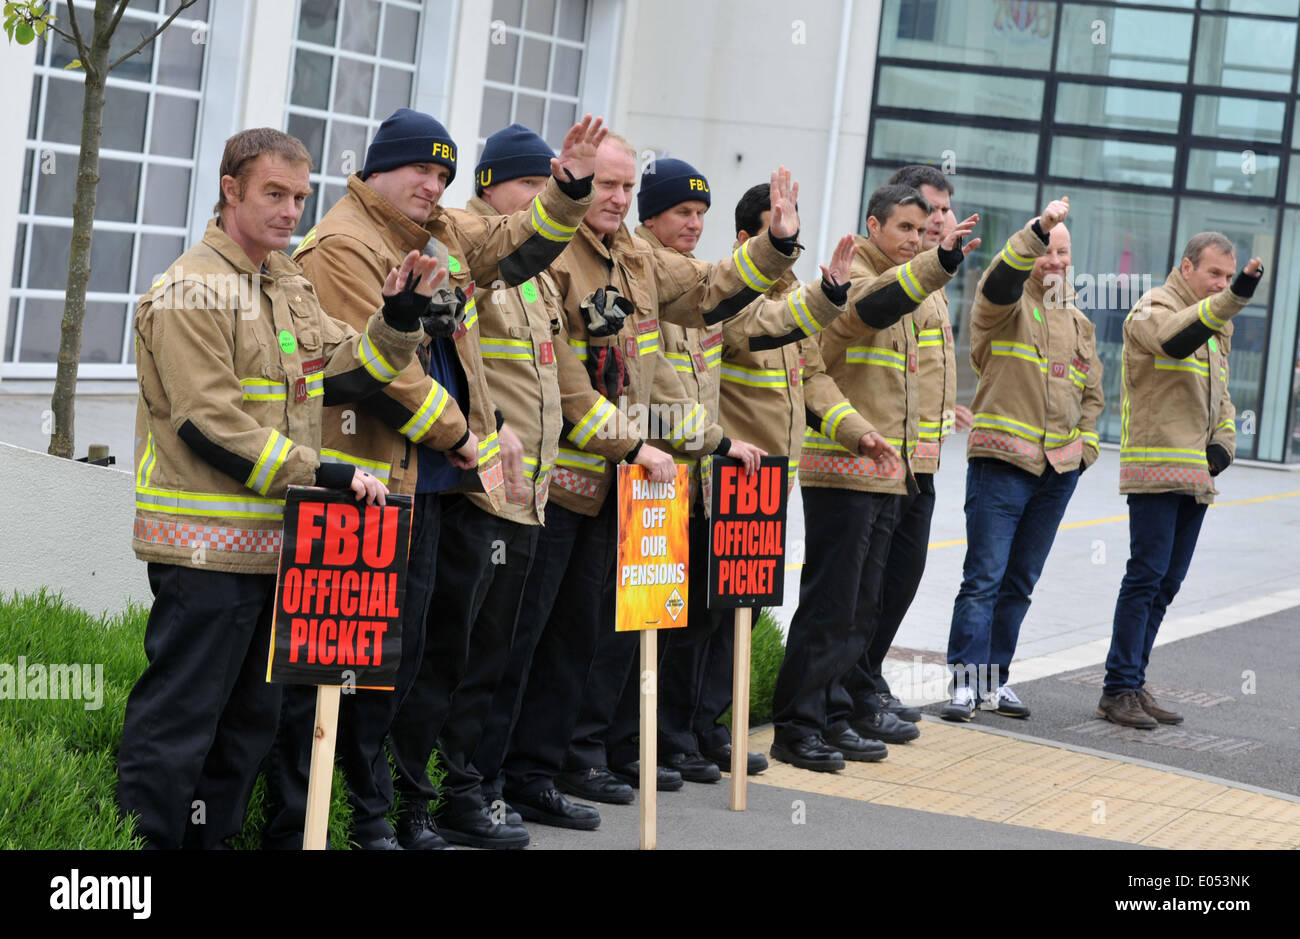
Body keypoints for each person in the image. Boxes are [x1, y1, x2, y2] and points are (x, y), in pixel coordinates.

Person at [264, 108, 606, 850]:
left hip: (444, 487)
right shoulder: (343, 246)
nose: (433, 184)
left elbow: (511, 247)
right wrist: (467, 437)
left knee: (426, 662)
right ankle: (341, 820)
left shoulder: (440, 235)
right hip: (375, 483)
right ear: (377, 168)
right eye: (420, 168)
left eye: (445, 173)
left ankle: (406, 807)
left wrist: (567, 190)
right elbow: (386, 374)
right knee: (359, 667)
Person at [119, 127, 435, 849]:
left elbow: (349, 369)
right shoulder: (191, 289)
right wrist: (321, 471)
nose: (292, 210)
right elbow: (209, 423)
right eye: (273, 193)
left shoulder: (285, 281)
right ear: (230, 189)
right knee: (180, 725)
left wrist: (399, 318)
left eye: (300, 195)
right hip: (203, 556)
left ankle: (212, 842)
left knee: (248, 727)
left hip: (273, 551)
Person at [496, 137, 804, 828]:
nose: (615, 199)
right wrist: (656, 441)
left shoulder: (632, 258)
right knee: (530, 642)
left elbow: (705, 292)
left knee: (581, 640)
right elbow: (568, 379)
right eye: (605, 184)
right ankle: (508, 776)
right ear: (570, 181)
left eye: (625, 188)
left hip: (619, 483)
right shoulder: (553, 252)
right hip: (563, 481)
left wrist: (776, 246)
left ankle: (544, 772)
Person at [385, 123, 671, 849]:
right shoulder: (468, 261)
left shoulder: (536, 270)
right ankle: (445, 797)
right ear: (489, 186)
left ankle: (481, 789)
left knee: (503, 659)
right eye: (529, 186)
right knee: (462, 659)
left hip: (530, 493)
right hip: (481, 492)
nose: (542, 200)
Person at [634, 171, 857, 783]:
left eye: (697, 212)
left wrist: (829, 289)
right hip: (688, 477)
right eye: (681, 211)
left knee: (735, 614)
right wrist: (720, 443)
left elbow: (782, 335)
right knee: (688, 619)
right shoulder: (691, 287)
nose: (692, 223)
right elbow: (752, 327)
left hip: (748, 483)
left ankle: (704, 729)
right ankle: (667, 736)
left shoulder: (718, 293)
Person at [775, 183, 977, 771]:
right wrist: (937, 263)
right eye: (905, 230)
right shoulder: (857, 276)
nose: (914, 240)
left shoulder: (905, 279)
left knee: (862, 607)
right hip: (843, 471)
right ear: (873, 225)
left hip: (890, 473)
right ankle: (798, 727)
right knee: (830, 606)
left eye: (923, 231)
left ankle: (835, 715)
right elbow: (872, 307)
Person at [941, 196, 1103, 722]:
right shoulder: (1004, 306)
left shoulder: (1078, 322)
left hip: (1057, 474)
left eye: (1064, 252)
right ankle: (964, 684)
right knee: (984, 578)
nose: (1056, 262)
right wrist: (1038, 228)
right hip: (1001, 466)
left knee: (1019, 583)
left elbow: (1093, 396)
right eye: (1048, 251)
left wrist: (1087, 449)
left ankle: (994, 681)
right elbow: (1001, 277)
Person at [1098, 234, 1262, 728]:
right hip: (1155, 473)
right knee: (1145, 578)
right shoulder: (1154, 308)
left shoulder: (1215, 322)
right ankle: (1116, 689)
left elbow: (1222, 394)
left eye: (1227, 276)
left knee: (1166, 585)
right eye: (1214, 273)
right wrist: (1233, 298)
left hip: (1195, 475)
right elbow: (1175, 339)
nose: (1221, 283)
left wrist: (1224, 444)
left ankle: (1133, 680)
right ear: (1186, 267)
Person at [840, 164, 973, 735]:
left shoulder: (930, 280)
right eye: (927, 213)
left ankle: (865, 678)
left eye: (942, 212)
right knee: (860, 588)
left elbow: (922, 366)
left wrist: (946, 411)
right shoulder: (888, 275)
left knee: (900, 579)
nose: (936, 223)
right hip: (872, 459)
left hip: (920, 458)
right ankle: (849, 691)